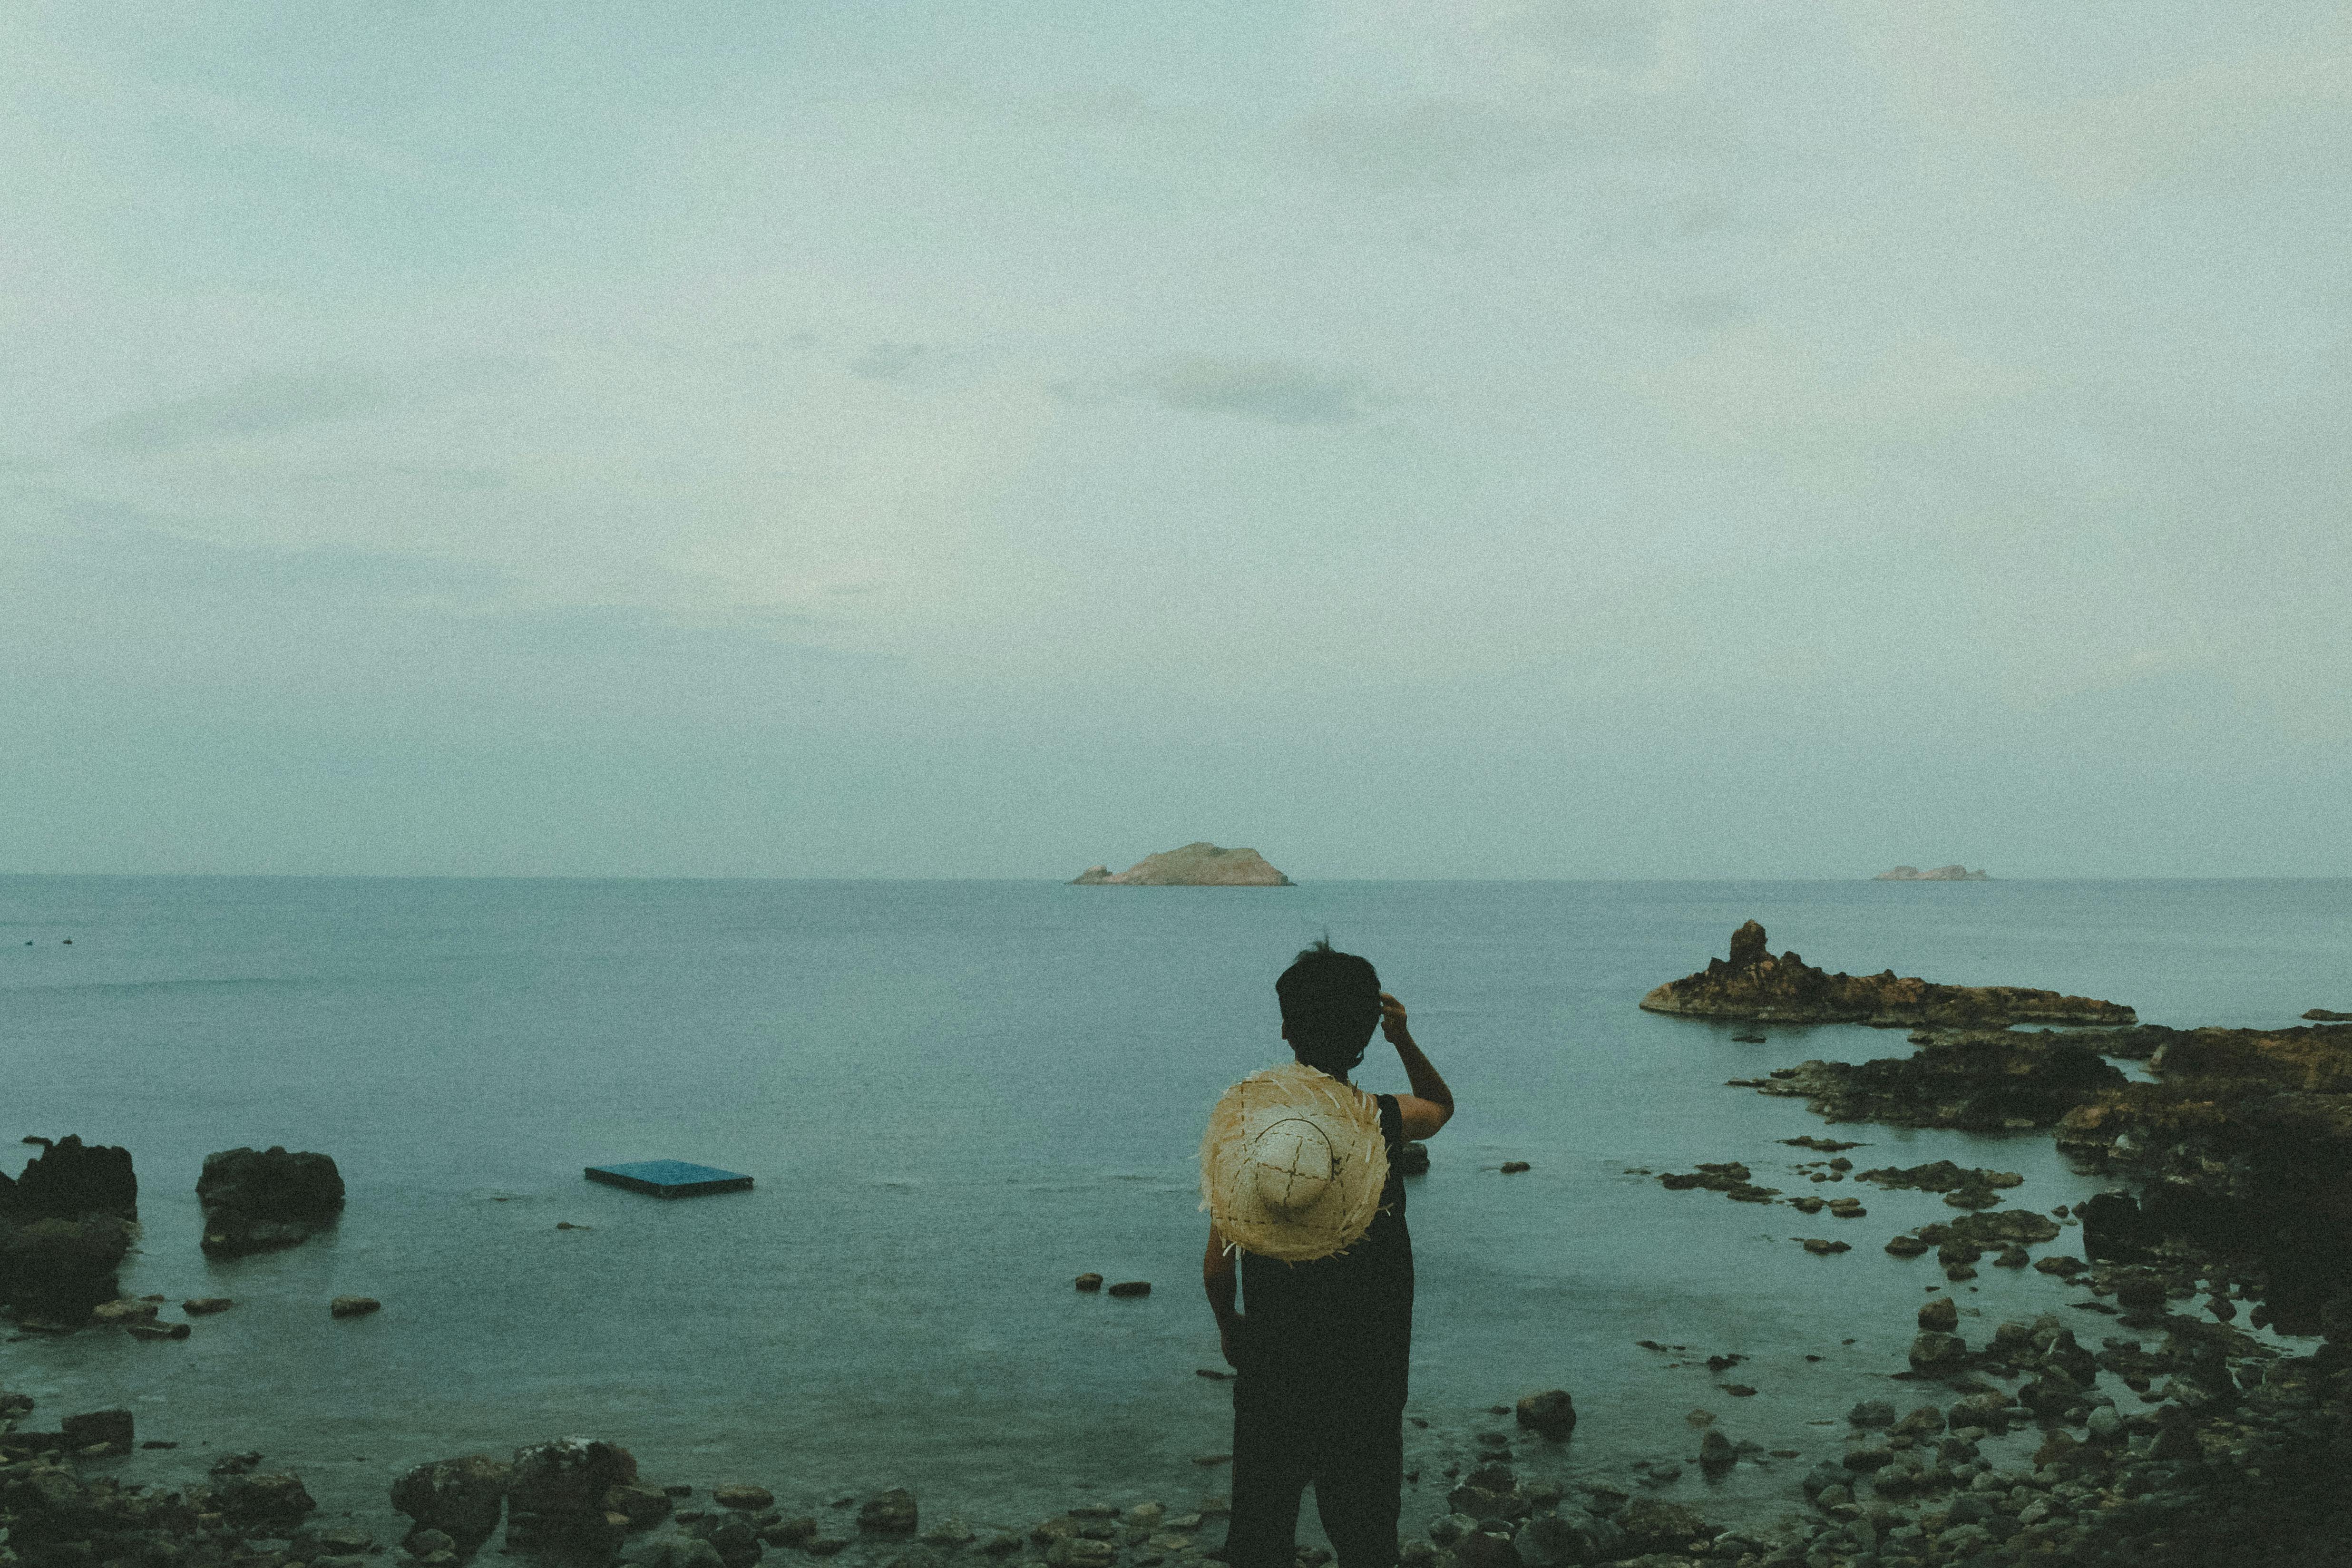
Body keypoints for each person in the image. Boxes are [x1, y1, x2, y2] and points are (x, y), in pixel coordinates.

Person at [1198, 941, 1454, 1568]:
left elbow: (1216, 1264)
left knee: (1260, 1534)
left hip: (1274, 1370)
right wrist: (1404, 1040)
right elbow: (1442, 1107)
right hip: (1368, 1373)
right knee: (1367, 1539)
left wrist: (1229, 1324)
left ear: (1286, 1028)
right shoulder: (1385, 1122)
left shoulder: (1251, 1133)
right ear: (1368, 1028)